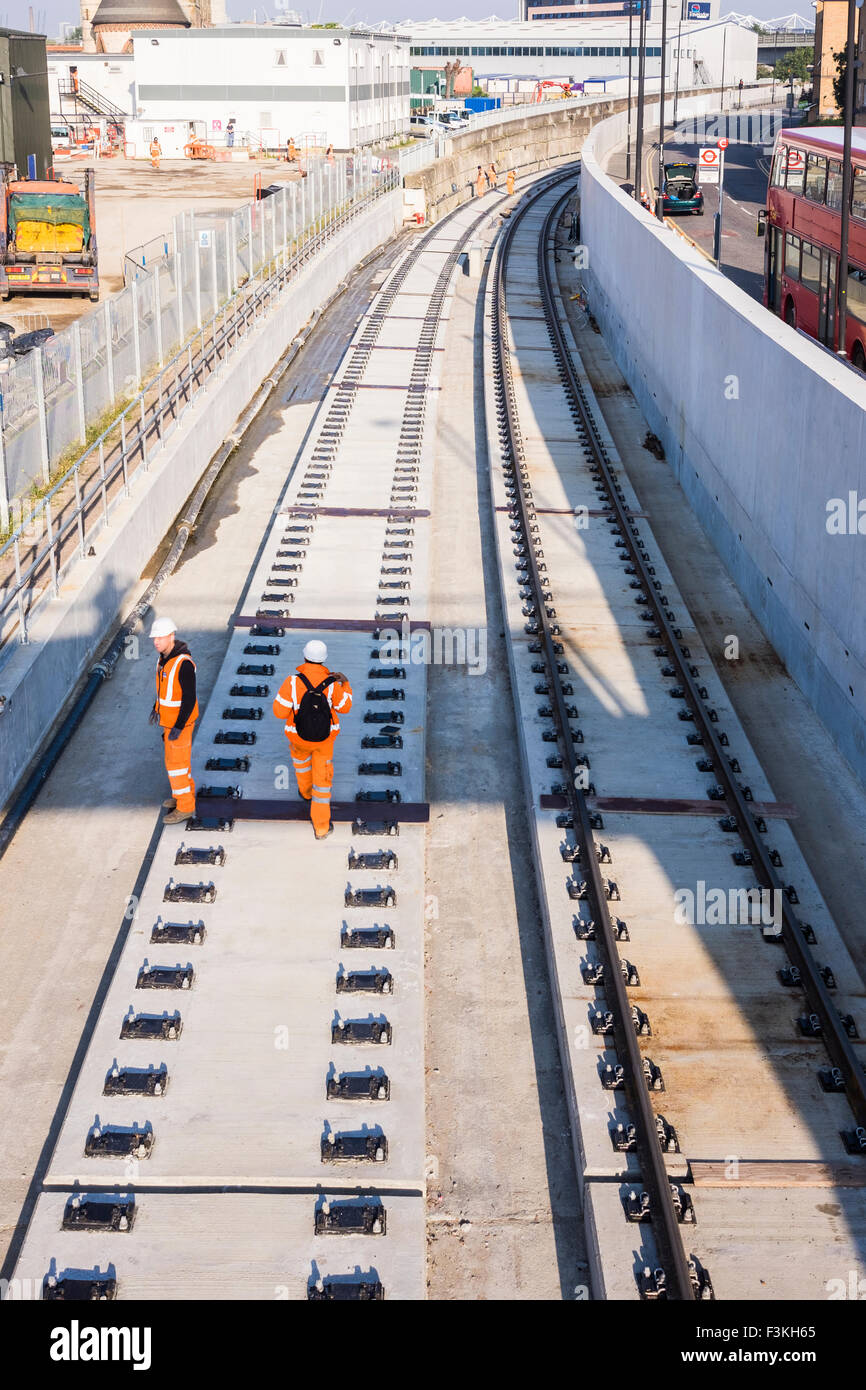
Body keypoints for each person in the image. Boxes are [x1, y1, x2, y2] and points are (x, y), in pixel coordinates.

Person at [272, 639, 353, 840]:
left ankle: (306, 793)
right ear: (324, 660)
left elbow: (279, 712)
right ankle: (321, 827)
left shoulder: (292, 682)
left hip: (298, 737)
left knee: (301, 766)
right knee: (323, 782)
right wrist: (346, 683)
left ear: (304, 656)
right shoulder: (333, 685)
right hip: (324, 742)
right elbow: (345, 707)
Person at [149, 617, 198, 823]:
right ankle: (182, 796)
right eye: (154, 638)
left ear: (172, 637)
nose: (156, 642)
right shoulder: (164, 658)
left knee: (176, 765)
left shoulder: (183, 664)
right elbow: (167, 690)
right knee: (179, 764)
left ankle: (186, 807)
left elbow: (189, 697)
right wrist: (156, 707)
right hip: (170, 722)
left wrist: (178, 726)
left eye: (160, 637)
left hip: (180, 724)